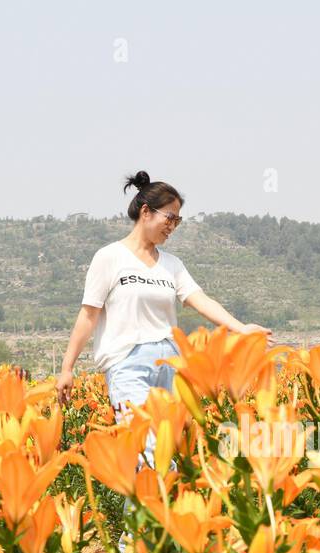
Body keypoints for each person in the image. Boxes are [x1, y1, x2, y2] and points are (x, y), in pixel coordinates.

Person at [56, 170, 271, 434]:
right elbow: (88, 316)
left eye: (177, 221)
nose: (172, 227)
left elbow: (201, 300)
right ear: (146, 212)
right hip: (127, 363)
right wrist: (67, 368)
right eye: (169, 218)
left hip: (170, 363)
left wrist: (241, 328)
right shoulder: (109, 257)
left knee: (172, 451)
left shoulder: (172, 264)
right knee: (144, 444)